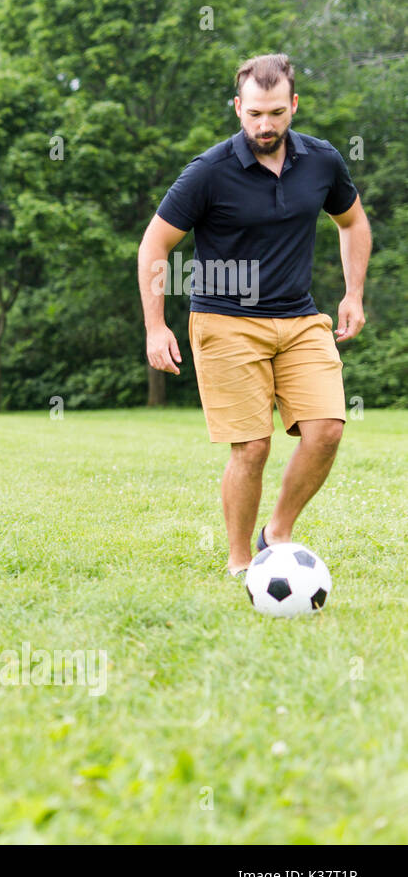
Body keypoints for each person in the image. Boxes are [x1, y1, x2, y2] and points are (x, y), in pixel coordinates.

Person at [138, 53, 371, 576]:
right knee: (252, 448)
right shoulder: (208, 172)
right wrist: (156, 326)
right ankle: (242, 560)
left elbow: (352, 223)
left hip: (299, 318)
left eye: (275, 113)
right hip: (225, 321)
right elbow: (155, 243)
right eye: (254, 114)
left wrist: (353, 293)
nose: (265, 125)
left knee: (328, 429)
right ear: (238, 108)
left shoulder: (322, 161)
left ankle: (277, 533)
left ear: (292, 105)